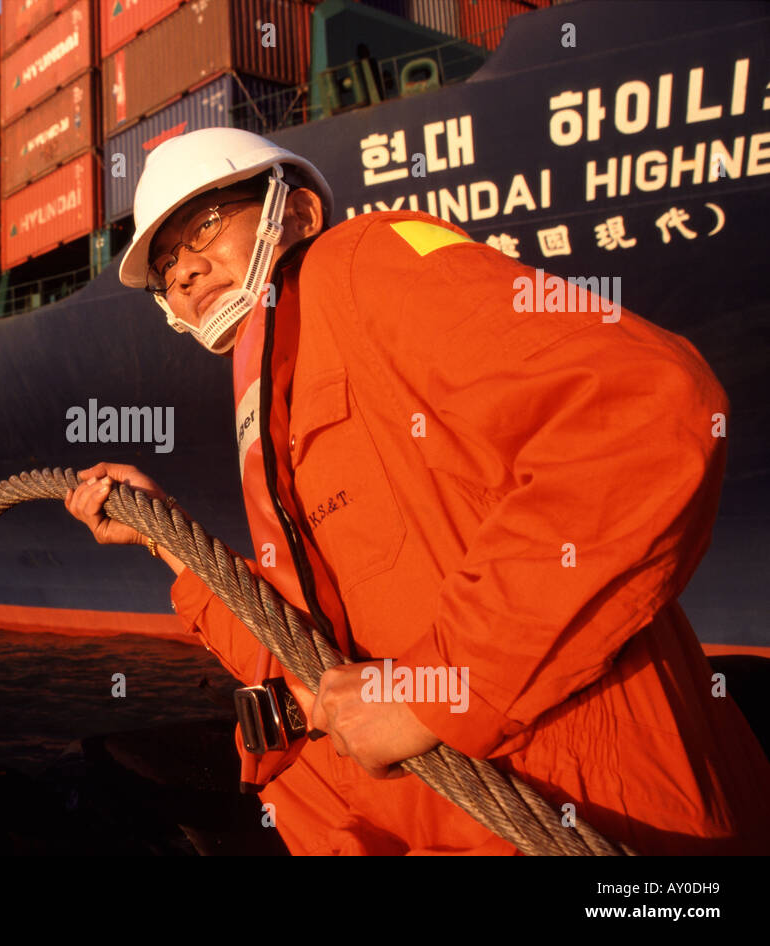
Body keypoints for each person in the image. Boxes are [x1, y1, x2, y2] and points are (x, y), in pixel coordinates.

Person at [64, 126, 770, 855]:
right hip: (409, 825)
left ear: (298, 213)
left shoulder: (365, 259)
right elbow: (309, 650)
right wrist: (168, 542)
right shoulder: (269, 374)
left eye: (205, 224)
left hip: (586, 812)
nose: (182, 271)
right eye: (166, 263)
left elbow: (642, 415)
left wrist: (437, 688)